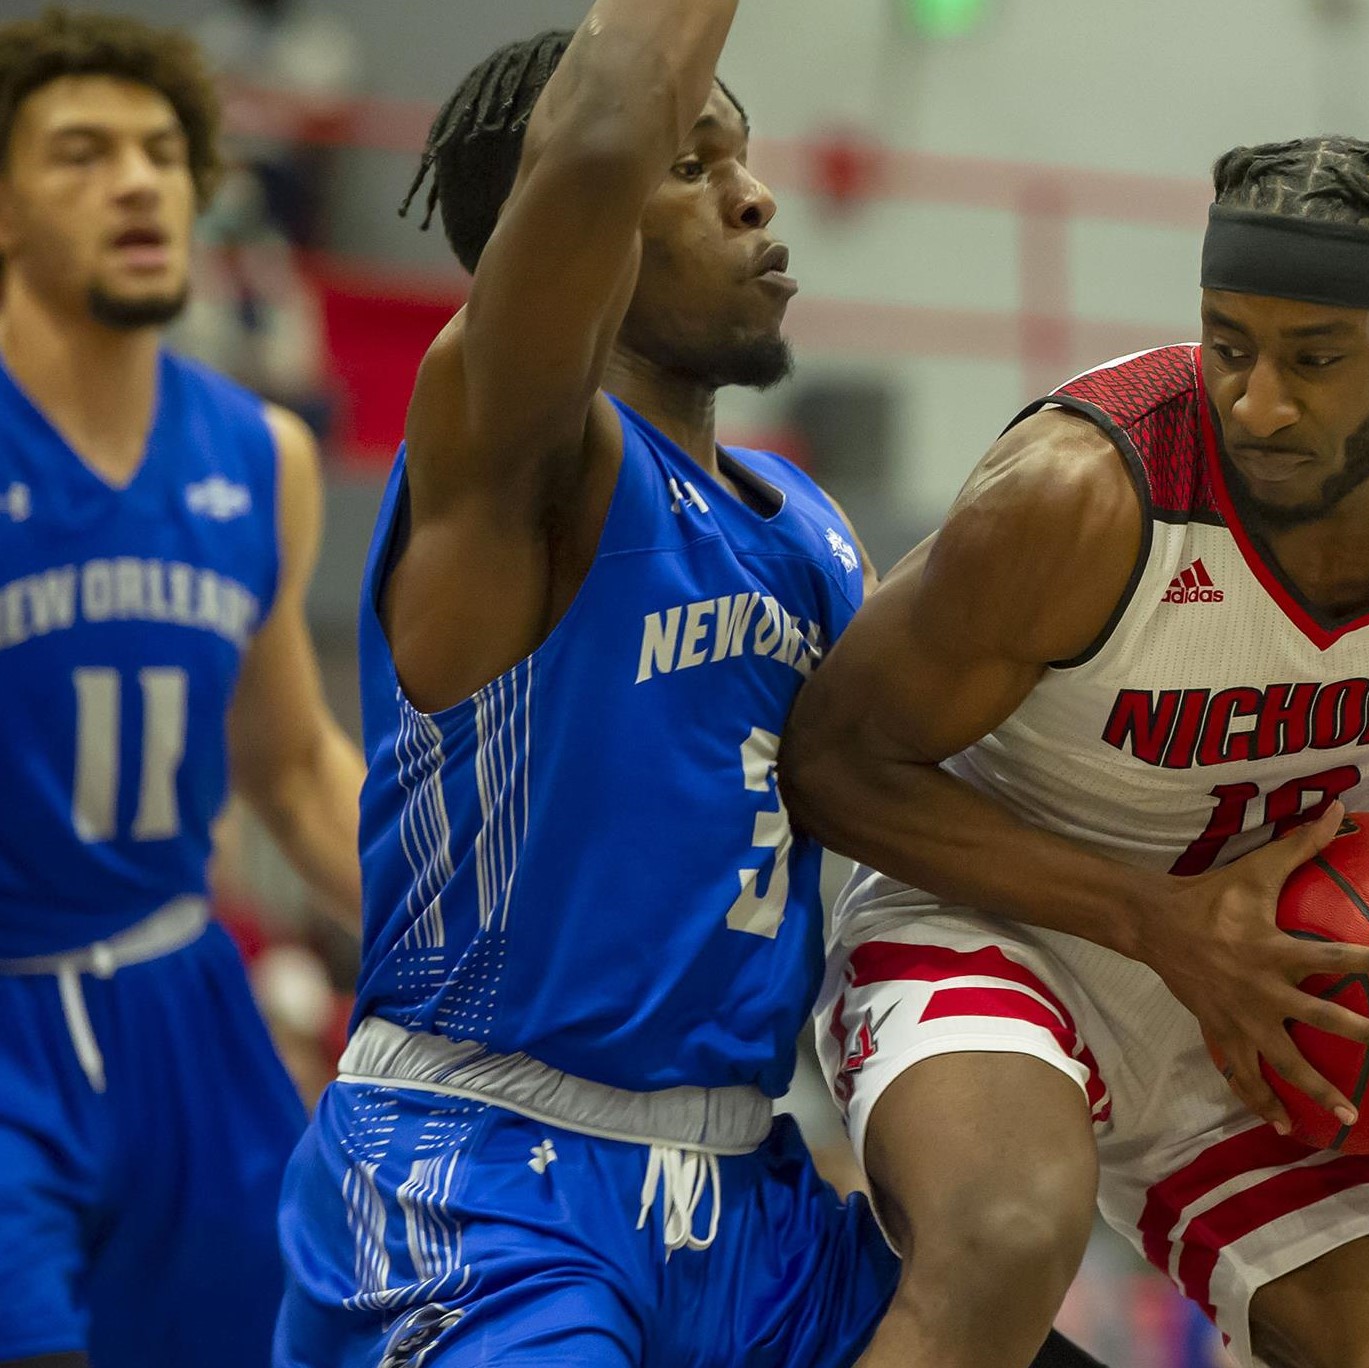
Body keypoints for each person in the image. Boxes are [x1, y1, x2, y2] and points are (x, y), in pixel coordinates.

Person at [783, 135, 1369, 1368]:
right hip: (1004, 921)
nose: (1258, 401)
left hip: (1276, 959)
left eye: (1315, 358)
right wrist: (1160, 923)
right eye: (1227, 343)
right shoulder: (1076, 499)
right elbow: (831, 765)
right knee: (1008, 1233)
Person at [263, 7, 959, 1365]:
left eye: (744, 158)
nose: (754, 193)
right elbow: (591, 139)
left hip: (750, 1190)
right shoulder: (521, 455)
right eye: (691, 166)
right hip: (484, 1178)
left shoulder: (808, 526)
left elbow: (897, 801)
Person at [0, 12, 364, 1366]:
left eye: (160, 152)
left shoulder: (258, 455)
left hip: (180, 1001)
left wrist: (472, 952)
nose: (140, 182)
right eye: (81, 155)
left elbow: (288, 765)